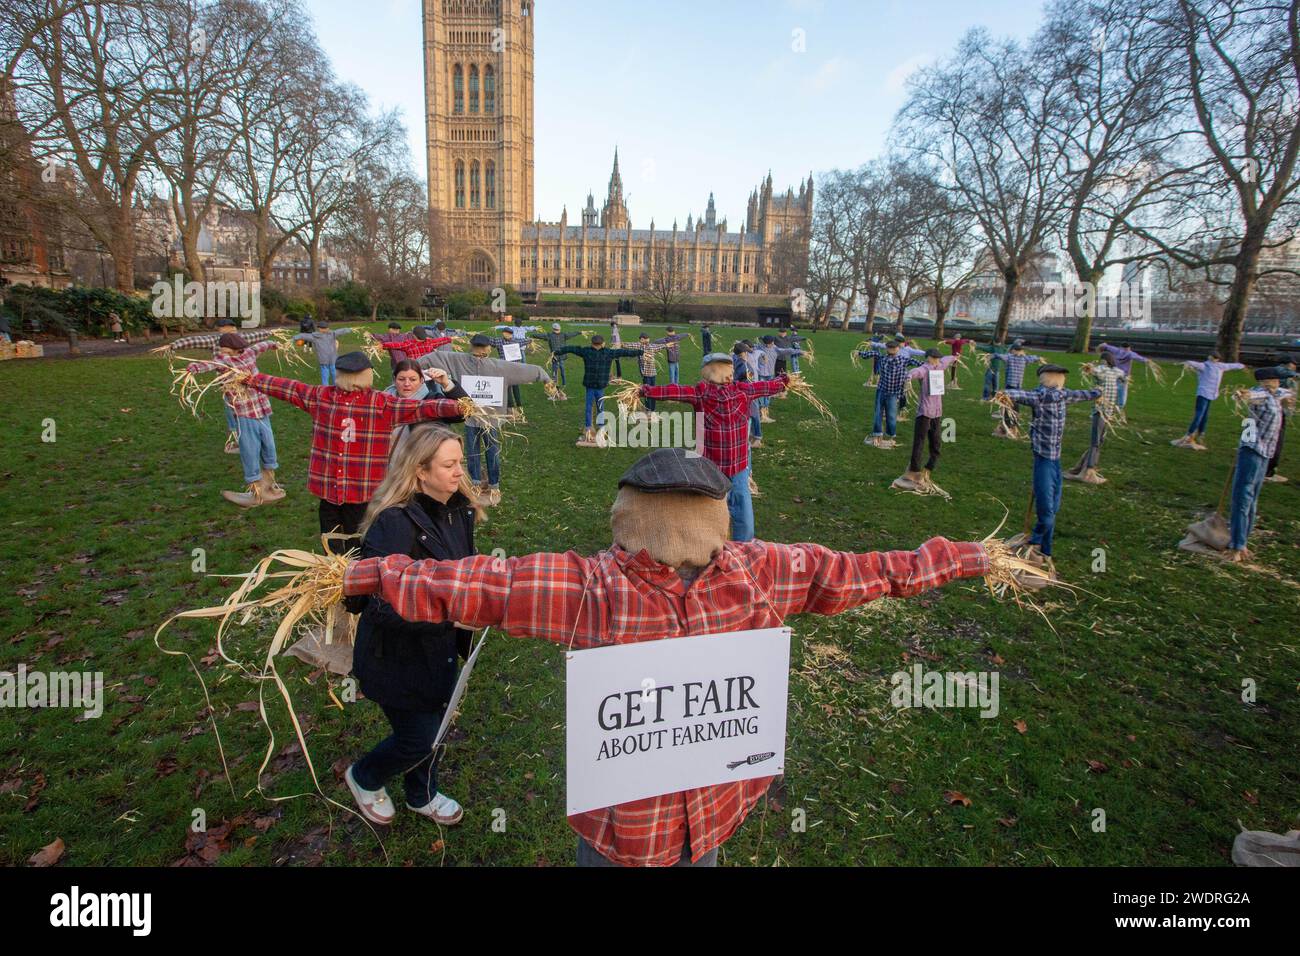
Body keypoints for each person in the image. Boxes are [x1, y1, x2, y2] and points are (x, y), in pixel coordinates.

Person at [340, 447, 1003, 867]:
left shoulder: (604, 583)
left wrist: (366, 577)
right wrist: (971, 558)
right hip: (639, 827)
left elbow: (481, 586)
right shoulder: (746, 571)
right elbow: (867, 571)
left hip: (683, 818)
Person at [342, 426, 484, 827]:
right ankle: (365, 776)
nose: (460, 472)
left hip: (438, 651)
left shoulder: (459, 509)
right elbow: (374, 606)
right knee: (418, 737)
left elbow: (459, 569)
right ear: (420, 471)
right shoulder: (393, 523)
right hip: (395, 657)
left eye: (461, 462)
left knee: (437, 726)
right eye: (449, 465)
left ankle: (422, 794)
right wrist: (448, 614)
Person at [244, 351, 464, 545]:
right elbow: (426, 408)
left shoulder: (320, 397)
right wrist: (461, 405)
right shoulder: (381, 404)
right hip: (363, 490)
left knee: (333, 540)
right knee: (360, 540)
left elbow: (286, 387)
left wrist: (251, 379)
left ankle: (339, 575)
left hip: (332, 489)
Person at [641, 353, 789, 541]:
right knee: (742, 504)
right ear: (729, 374)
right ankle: (744, 547)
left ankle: (712, 544)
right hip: (739, 464)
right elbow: (769, 386)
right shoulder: (745, 390)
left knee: (711, 507)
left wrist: (646, 390)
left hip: (711, 467)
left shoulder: (700, 394)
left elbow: (673, 391)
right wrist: (784, 380)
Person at [414, 334, 553, 504]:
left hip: (473, 417)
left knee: (474, 452)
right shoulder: (500, 366)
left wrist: (410, 366)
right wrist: (544, 375)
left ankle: (478, 484)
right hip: (485, 418)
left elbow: (434, 357)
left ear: (471, 346)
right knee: (491, 451)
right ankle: (491, 485)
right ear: (489, 348)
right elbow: (526, 370)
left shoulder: (457, 360)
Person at [999, 365, 1102, 562]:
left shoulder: (1063, 395)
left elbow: (1082, 394)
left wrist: (1096, 393)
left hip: (1056, 461)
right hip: (1044, 462)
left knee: (1052, 509)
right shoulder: (1040, 397)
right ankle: (1035, 541)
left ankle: (1045, 551)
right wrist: (1003, 394)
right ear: (1051, 380)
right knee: (1046, 512)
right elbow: (1018, 394)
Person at [183, 333, 284, 508]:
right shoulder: (224, 361)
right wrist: (195, 367)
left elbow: (262, 345)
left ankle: (269, 485)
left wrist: (273, 344)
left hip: (262, 410)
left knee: (269, 446)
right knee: (250, 449)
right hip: (245, 414)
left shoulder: (249, 353)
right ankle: (257, 492)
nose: (236, 354)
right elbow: (210, 364)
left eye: (236, 351)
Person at [165, 319, 276, 454]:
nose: (228, 330)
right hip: (230, 387)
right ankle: (236, 443)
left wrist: (271, 334)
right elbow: (194, 341)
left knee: (248, 414)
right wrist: (175, 345)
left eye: (230, 327)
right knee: (233, 415)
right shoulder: (215, 340)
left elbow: (259, 337)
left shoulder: (241, 339)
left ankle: (255, 443)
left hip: (249, 384)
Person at [1227, 367, 1294, 561]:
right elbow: (1248, 395)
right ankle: (1236, 546)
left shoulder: (1276, 394)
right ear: (1267, 381)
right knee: (1242, 498)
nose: (1281, 383)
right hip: (1252, 451)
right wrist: (1241, 395)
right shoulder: (1262, 394)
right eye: (1277, 379)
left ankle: (1243, 542)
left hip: (1266, 453)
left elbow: (1287, 393)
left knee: (1252, 498)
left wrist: (1290, 397)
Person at [553, 335, 641, 447]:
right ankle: (600, 428)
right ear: (603, 343)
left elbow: (571, 348)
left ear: (591, 343)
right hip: (600, 386)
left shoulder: (586, 351)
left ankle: (589, 427)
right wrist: (640, 352)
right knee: (600, 407)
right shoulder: (609, 352)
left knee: (588, 407)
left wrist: (557, 351)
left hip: (590, 385)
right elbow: (624, 352)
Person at [384, 359, 466, 462]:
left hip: (422, 466)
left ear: (422, 380)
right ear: (394, 379)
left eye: (413, 379)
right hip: (389, 468)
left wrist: (446, 383)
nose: (407, 384)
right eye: (401, 379)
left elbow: (465, 411)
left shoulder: (432, 401)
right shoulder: (383, 402)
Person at [899, 348, 959, 485]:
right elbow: (915, 372)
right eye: (934, 358)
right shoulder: (924, 369)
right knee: (919, 442)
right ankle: (914, 470)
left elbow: (947, 359)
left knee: (936, 442)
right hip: (925, 412)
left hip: (937, 412)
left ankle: (929, 467)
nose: (937, 360)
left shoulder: (940, 365)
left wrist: (955, 357)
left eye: (938, 358)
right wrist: (909, 376)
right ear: (928, 358)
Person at [1065, 352, 1125, 485]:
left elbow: (1092, 369)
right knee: (1098, 441)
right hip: (1109, 411)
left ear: (1102, 360)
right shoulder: (1116, 371)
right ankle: (1085, 469)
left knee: (1095, 441)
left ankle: (1087, 469)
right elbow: (1124, 377)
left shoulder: (1100, 370)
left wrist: (1089, 367)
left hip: (1099, 411)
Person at [1172, 352, 1245, 450]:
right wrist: (1186, 363)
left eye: (1216, 358)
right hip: (1203, 394)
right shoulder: (1205, 366)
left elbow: (1232, 366)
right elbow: (1194, 363)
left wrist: (1241, 366)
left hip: (1210, 394)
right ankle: (1190, 435)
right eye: (1214, 357)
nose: (1215, 359)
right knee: (1200, 415)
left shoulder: (1220, 366)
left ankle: (1199, 434)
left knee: (1204, 415)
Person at [859, 339, 922, 449]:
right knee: (885, 414)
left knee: (885, 414)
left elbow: (921, 365)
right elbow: (920, 364)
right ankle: (882, 436)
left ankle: (885, 437)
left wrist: (859, 353)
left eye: (893, 348)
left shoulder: (894, 359)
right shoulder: (897, 359)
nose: (892, 349)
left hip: (888, 392)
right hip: (885, 391)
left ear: (896, 349)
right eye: (891, 348)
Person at [995, 342, 1044, 439]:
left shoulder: (1017, 358)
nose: (1015, 351)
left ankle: (1009, 429)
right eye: (1017, 350)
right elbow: (1000, 356)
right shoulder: (1017, 358)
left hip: (1014, 388)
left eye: (1017, 350)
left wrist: (1040, 359)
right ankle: (1010, 428)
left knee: (1011, 408)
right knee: (1012, 408)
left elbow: (1034, 357)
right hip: (1014, 388)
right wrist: (992, 355)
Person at [755, 335, 803, 423]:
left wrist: (800, 351)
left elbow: (787, 350)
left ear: (773, 342)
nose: (768, 345)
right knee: (762, 393)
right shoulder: (759, 347)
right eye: (767, 344)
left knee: (767, 394)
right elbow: (750, 347)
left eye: (769, 343)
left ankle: (764, 415)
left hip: (769, 375)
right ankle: (762, 415)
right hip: (761, 374)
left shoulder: (775, 349)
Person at [1264, 354, 1297, 483]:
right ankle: (1269, 472)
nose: (1294, 367)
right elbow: (1281, 371)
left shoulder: (1284, 373)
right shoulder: (1281, 371)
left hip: (1279, 412)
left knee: (1273, 440)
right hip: (1278, 412)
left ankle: (1267, 469)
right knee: (1277, 441)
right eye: (1292, 364)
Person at [294, 321, 354, 386]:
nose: (326, 329)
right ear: (319, 328)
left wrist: (349, 329)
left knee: (335, 375)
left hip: (333, 359)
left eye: (327, 327)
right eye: (324, 328)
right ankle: (325, 388)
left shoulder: (332, 334)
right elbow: (304, 335)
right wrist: (295, 338)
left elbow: (340, 331)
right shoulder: (314, 337)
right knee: (325, 375)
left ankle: (336, 387)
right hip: (324, 360)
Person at [529, 323, 581, 391]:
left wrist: (532, 335)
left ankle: (556, 385)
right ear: (559, 329)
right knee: (562, 369)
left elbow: (540, 335)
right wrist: (579, 332)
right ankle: (563, 384)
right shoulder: (563, 335)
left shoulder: (550, 335)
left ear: (553, 329)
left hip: (555, 357)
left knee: (555, 372)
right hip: (561, 356)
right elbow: (571, 334)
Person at [1097, 341, 1148, 408]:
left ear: (1121, 347)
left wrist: (1102, 346)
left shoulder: (1116, 350)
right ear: (1129, 348)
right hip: (1124, 375)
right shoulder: (1130, 354)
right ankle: (1120, 405)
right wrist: (1147, 360)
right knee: (1122, 391)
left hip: (1114, 373)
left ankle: (1106, 402)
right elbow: (1140, 358)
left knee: (1110, 387)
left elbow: (1105, 346)